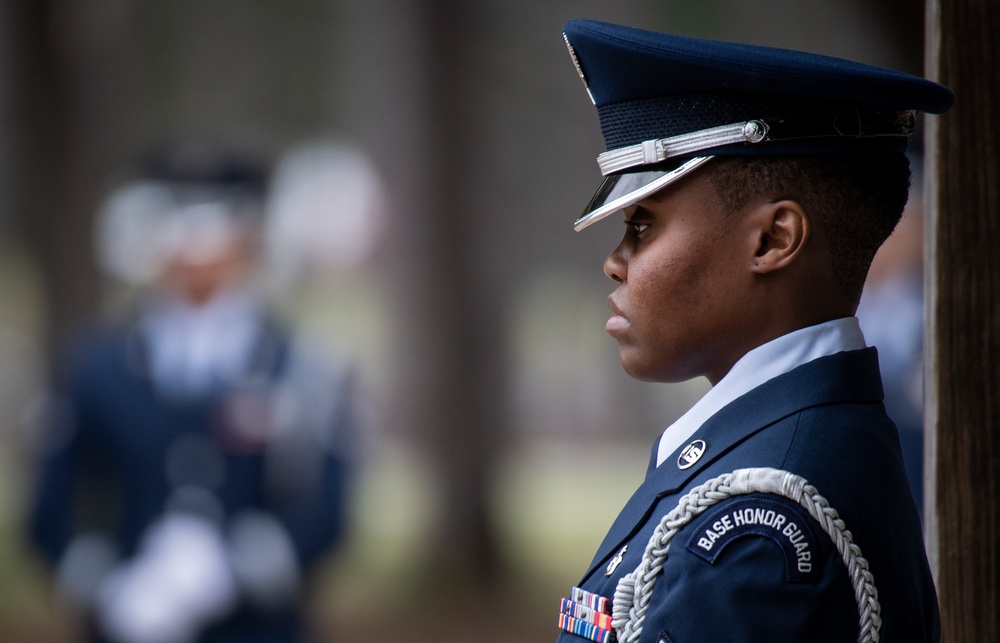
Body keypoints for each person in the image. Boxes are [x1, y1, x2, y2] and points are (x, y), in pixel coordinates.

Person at [554, 20, 953, 643]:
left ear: (772, 240)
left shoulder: (761, 530)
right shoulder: (776, 451)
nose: (614, 261)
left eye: (642, 225)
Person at [28, 144, 357, 643]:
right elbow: (50, 512)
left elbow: (328, 513)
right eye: (178, 228)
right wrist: (112, 589)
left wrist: (231, 573)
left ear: (250, 238)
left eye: (215, 229)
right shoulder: (95, 368)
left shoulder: (302, 369)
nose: (195, 252)